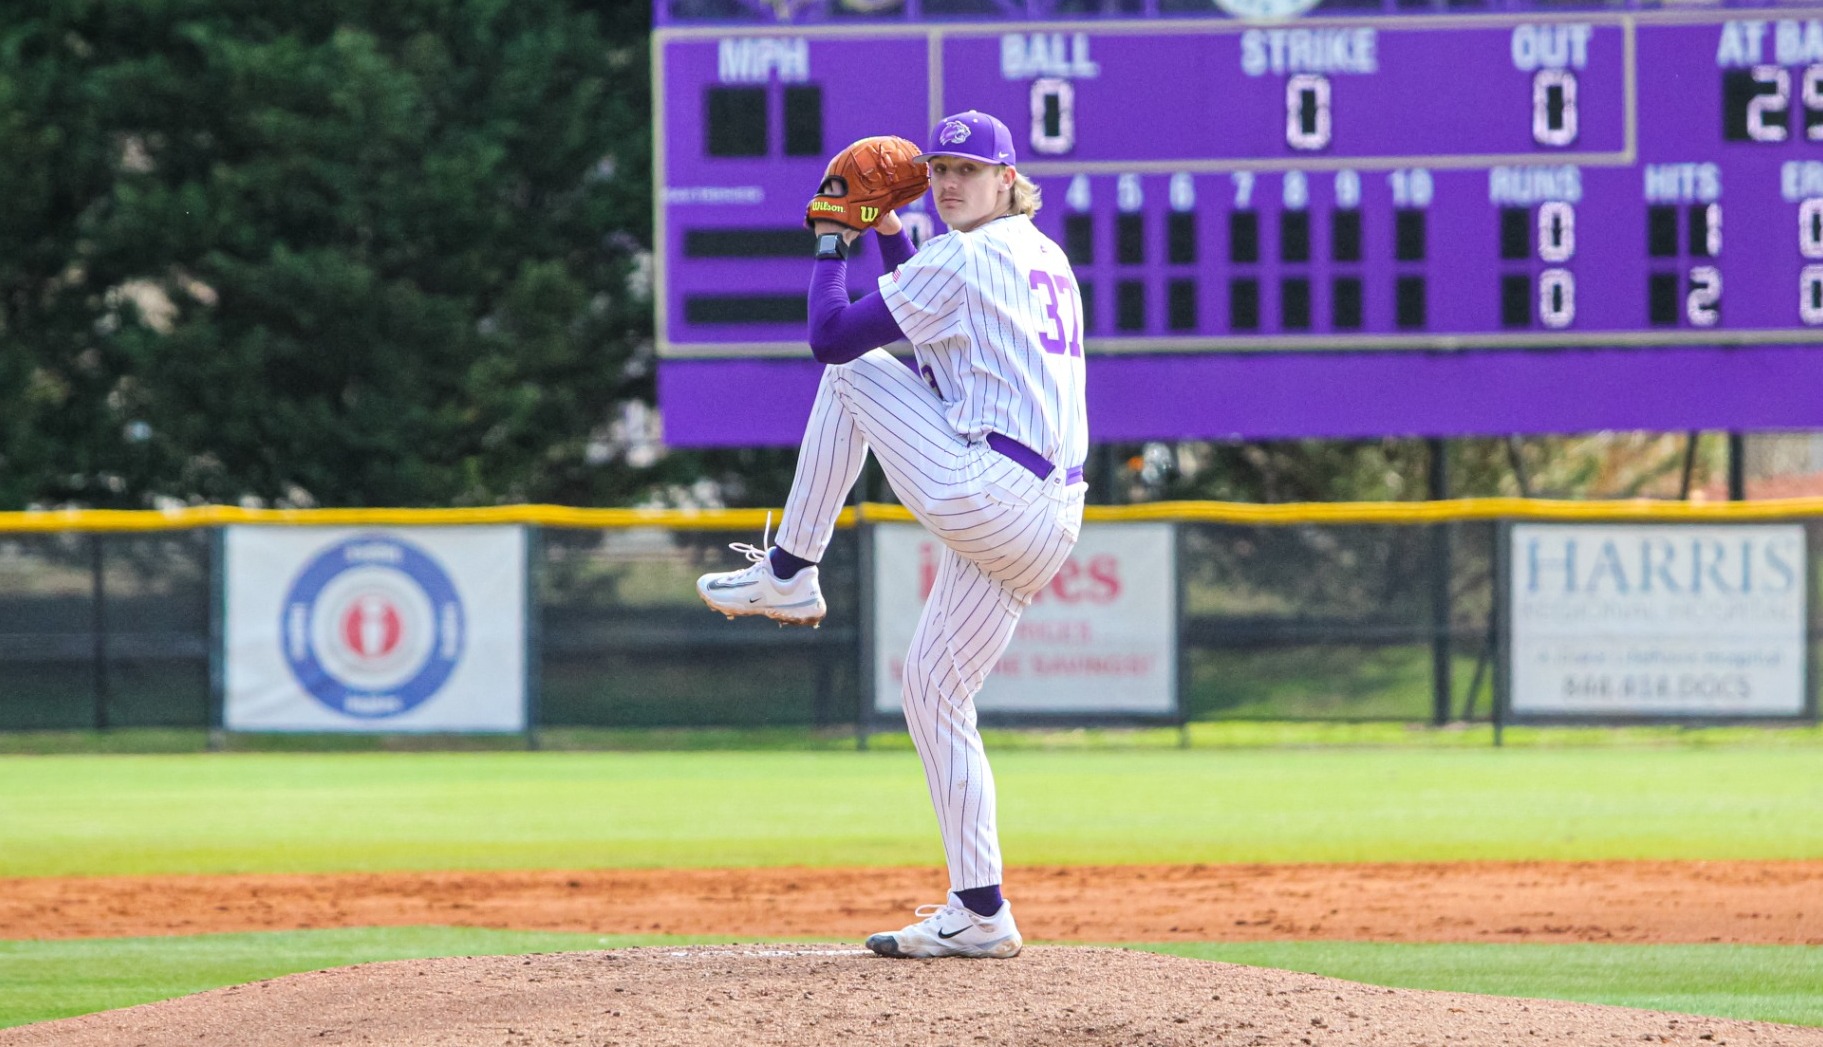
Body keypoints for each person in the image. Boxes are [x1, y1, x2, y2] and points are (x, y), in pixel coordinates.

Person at [696, 110, 1088, 959]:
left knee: (849, 375)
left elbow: (831, 335)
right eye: (940, 166)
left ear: (1006, 180)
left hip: (992, 492)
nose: (949, 182)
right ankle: (981, 910)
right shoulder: (1039, 254)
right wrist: (890, 232)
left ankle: (791, 570)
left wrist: (836, 238)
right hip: (1047, 518)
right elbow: (937, 344)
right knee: (933, 688)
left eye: (968, 170)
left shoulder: (968, 253)